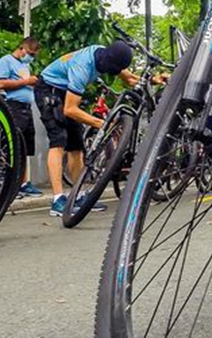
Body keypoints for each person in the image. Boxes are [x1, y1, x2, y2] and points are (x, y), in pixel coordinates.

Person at [37, 40, 138, 216]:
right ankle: (57, 200)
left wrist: (154, 79)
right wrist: (103, 124)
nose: (110, 72)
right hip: (49, 89)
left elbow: (129, 78)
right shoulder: (82, 68)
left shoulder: (105, 54)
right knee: (58, 140)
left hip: (66, 92)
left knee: (76, 145)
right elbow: (70, 109)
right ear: (105, 61)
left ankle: (78, 195)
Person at [0, 36, 44, 198]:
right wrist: (25, 82)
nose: (31, 56)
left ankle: (22, 183)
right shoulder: (6, 61)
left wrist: (31, 83)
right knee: (12, 147)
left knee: (24, 149)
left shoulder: (25, 65)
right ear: (22, 48)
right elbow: (1, 84)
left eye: (34, 54)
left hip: (27, 108)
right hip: (13, 107)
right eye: (30, 53)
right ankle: (9, 185)